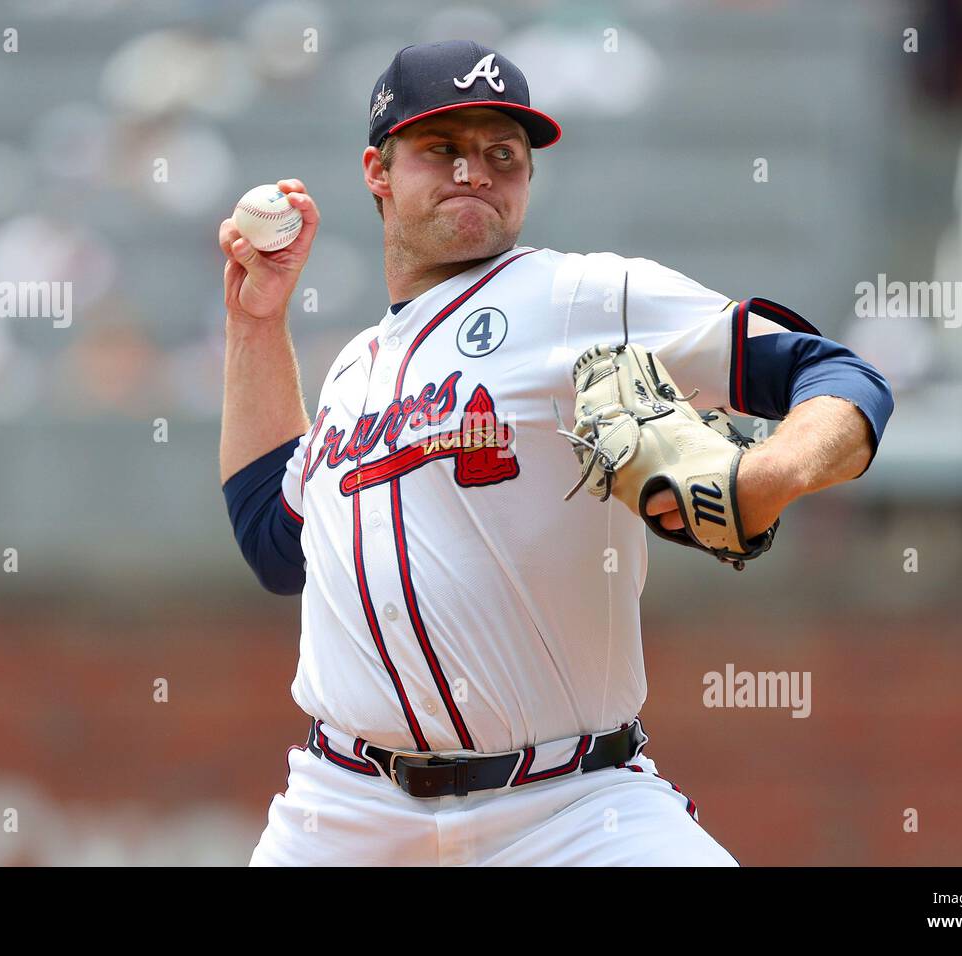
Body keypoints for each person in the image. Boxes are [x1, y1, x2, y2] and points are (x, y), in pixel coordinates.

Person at [217, 40, 894, 866]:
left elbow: (837, 375)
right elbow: (274, 546)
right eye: (443, 148)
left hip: (572, 807)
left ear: (528, 181)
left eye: (503, 153)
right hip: (346, 809)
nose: (475, 170)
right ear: (378, 170)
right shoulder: (355, 369)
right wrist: (256, 321)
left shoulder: (578, 296)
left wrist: (769, 475)